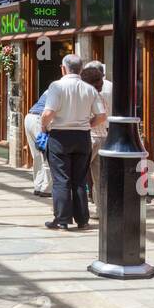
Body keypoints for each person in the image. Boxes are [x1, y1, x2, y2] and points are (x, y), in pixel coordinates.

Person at [39, 54, 106, 231]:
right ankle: (82, 219)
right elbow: (101, 116)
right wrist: (87, 124)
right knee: (79, 180)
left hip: (60, 136)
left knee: (61, 179)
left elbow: (48, 113)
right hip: (82, 137)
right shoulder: (89, 89)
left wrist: (43, 126)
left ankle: (62, 219)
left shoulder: (57, 86)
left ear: (63, 68)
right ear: (81, 69)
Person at [81, 61, 113, 215]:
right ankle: (102, 210)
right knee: (100, 177)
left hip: (91, 136)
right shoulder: (111, 87)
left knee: (78, 174)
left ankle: (78, 210)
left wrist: (85, 124)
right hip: (106, 135)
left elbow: (99, 115)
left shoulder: (89, 91)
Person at [23, 92, 51, 197]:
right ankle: (46, 189)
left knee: (37, 156)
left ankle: (38, 186)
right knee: (47, 156)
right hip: (39, 119)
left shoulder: (52, 88)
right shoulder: (61, 89)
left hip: (29, 117)